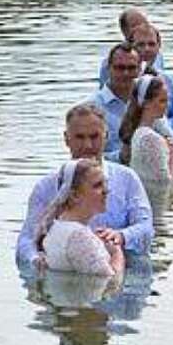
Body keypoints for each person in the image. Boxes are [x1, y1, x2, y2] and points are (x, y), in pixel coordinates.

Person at [15, 102, 153, 266]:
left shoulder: (127, 179)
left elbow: (146, 228)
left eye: (94, 137)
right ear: (66, 139)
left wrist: (122, 236)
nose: (87, 146)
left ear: (106, 136)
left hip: (125, 266)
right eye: (80, 137)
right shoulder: (45, 187)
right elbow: (26, 240)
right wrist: (35, 260)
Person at [35, 159, 125, 277]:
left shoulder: (55, 227)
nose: (106, 190)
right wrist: (116, 252)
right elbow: (112, 283)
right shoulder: (79, 236)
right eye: (97, 185)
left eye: (105, 184)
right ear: (75, 195)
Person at [118, 76, 173, 187]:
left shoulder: (142, 132)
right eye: (162, 101)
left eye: (167, 100)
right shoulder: (149, 138)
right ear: (146, 103)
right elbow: (164, 183)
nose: (167, 105)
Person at [127, 23, 173, 137]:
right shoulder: (124, 79)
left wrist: (161, 129)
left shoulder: (166, 80)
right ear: (131, 47)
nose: (147, 49)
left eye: (151, 44)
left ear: (159, 46)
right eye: (141, 45)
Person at [90, 42, 142, 161]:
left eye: (131, 68)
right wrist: (120, 157)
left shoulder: (148, 102)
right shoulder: (92, 108)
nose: (125, 73)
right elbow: (86, 156)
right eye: (119, 67)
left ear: (139, 69)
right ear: (108, 68)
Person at [97, 7, 162, 85]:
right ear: (124, 31)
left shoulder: (157, 55)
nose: (141, 28)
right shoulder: (111, 63)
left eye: (144, 24)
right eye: (135, 25)